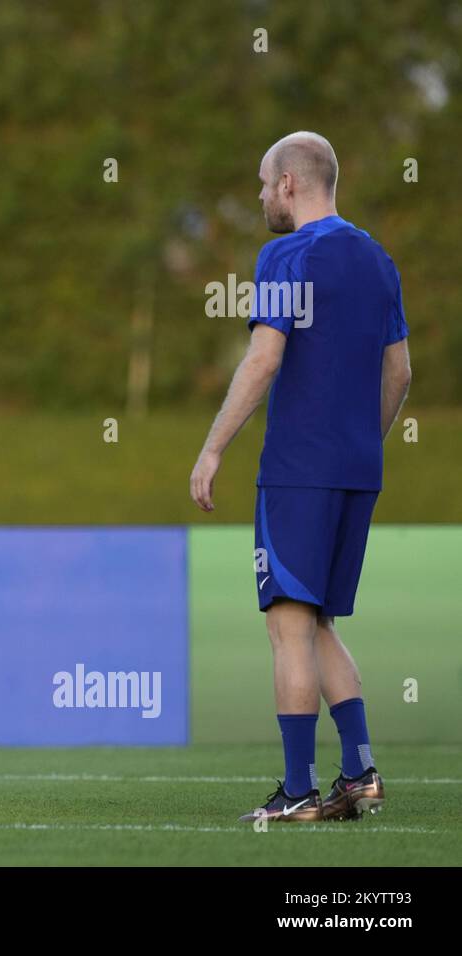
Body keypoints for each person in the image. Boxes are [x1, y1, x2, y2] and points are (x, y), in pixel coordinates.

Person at [189, 131, 411, 823]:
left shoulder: (286, 253)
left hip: (297, 471)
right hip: (356, 470)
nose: (260, 196)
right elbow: (399, 372)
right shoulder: (378, 261)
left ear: (289, 183)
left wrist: (213, 447)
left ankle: (298, 791)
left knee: (287, 624)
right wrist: (359, 445)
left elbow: (263, 359)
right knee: (316, 622)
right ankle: (360, 774)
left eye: (262, 184)